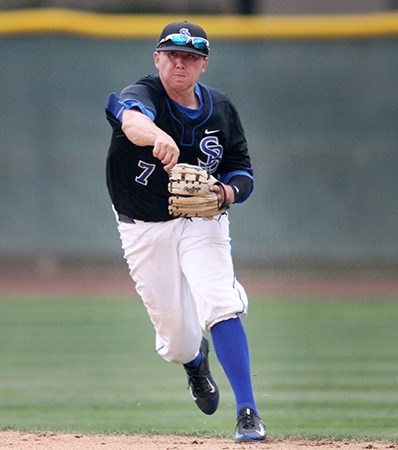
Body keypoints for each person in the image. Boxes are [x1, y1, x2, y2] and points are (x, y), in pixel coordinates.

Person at [104, 20, 266, 442]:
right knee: (176, 342)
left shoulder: (221, 109)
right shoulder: (144, 93)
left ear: (203, 65)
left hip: (202, 220)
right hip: (144, 227)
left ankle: (248, 411)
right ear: (158, 58)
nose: (181, 63)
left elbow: (242, 170)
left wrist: (227, 192)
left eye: (191, 57)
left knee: (219, 303)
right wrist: (157, 136)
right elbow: (130, 120)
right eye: (173, 54)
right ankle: (195, 361)